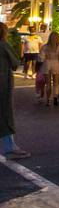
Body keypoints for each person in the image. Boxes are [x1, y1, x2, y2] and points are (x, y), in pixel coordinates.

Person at [0, 23, 30, 158]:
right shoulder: (4, 45)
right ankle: (9, 146)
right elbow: (15, 63)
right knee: (5, 113)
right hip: (3, 82)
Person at [38, 31, 59, 107]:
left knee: (48, 83)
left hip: (47, 63)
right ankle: (55, 98)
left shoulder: (45, 47)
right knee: (56, 83)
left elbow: (40, 58)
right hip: (56, 63)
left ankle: (48, 100)